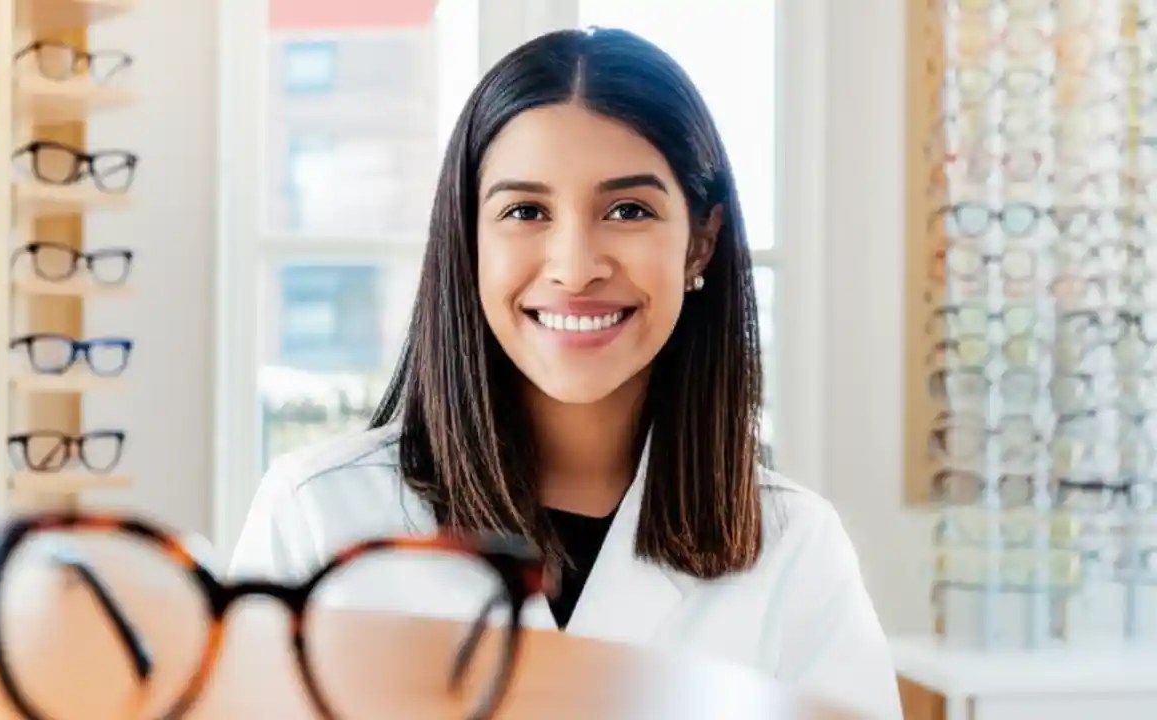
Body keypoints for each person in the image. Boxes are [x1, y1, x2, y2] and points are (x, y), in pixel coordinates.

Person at [230, 27, 901, 719]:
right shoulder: (316, 516)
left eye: (628, 210)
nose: (575, 266)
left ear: (700, 243)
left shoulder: (795, 547)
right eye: (526, 211)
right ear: (469, 240)